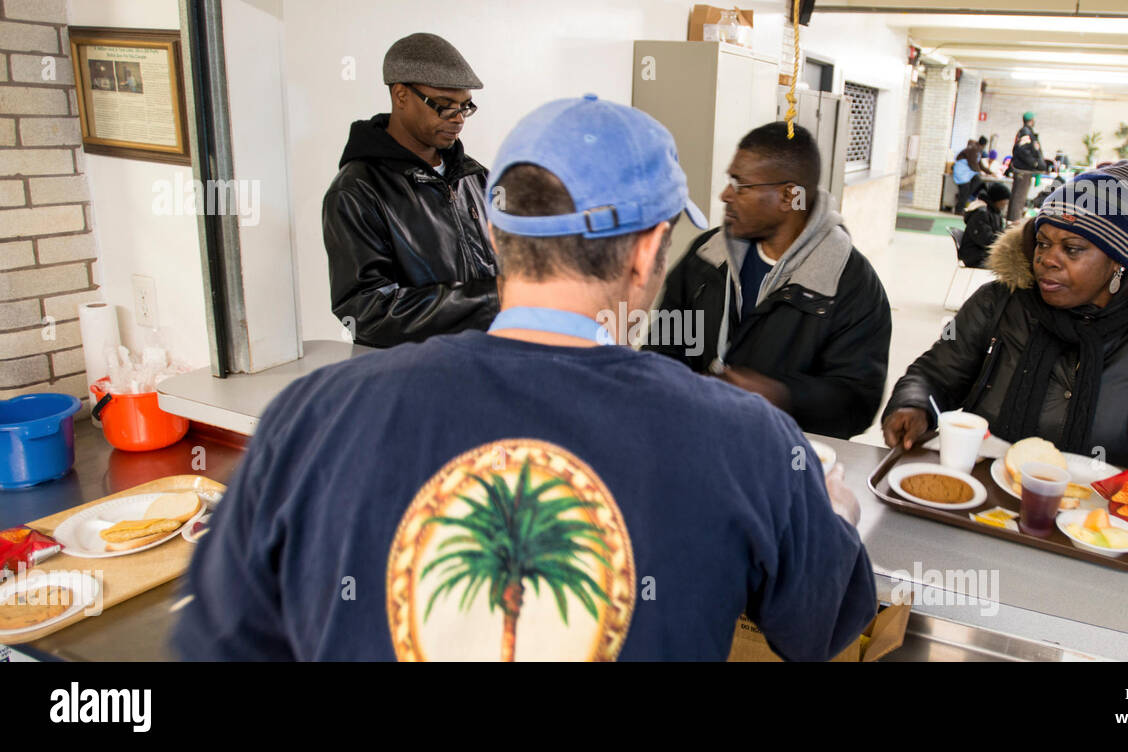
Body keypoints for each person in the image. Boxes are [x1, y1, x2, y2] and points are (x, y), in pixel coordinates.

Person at [173, 96, 876, 662]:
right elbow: (820, 627)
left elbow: (217, 638)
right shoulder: (749, 442)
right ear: (650, 252)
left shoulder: (313, 413)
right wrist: (836, 515)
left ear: (492, 230)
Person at [880, 161, 1128, 515]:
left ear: (1118, 262)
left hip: (1109, 523)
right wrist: (914, 404)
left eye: (1072, 249)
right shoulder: (1000, 303)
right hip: (987, 503)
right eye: (1043, 243)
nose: (1048, 259)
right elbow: (934, 376)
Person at [648, 123, 892, 439]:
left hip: (785, 458)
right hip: (697, 440)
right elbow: (662, 348)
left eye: (740, 184)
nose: (725, 195)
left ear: (789, 196)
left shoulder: (852, 285)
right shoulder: (706, 256)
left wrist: (782, 396)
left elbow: (858, 403)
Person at [322, 33, 499, 348]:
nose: (458, 119)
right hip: (418, 377)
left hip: (486, 363)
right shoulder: (356, 191)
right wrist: (494, 299)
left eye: (465, 106)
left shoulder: (478, 178)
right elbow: (368, 313)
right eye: (444, 107)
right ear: (401, 95)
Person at [958, 182, 1010, 269]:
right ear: (997, 199)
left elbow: (996, 235)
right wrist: (1008, 233)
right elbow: (987, 241)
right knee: (1012, 266)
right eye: (1005, 200)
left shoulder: (994, 211)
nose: (1006, 203)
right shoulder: (981, 214)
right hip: (975, 256)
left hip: (984, 253)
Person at [1008, 112, 1045, 222]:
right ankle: (1014, 221)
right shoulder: (1025, 132)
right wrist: (1035, 163)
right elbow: (1023, 150)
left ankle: (1012, 220)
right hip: (1022, 170)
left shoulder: (1026, 132)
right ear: (1031, 120)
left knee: (1018, 197)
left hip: (1023, 170)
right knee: (1019, 197)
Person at [953, 136, 994, 213]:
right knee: (965, 190)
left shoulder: (978, 150)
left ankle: (963, 198)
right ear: (984, 145)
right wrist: (979, 172)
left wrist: (990, 172)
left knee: (977, 181)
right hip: (962, 171)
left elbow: (979, 164)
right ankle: (959, 209)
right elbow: (973, 163)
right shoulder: (974, 149)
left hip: (967, 172)